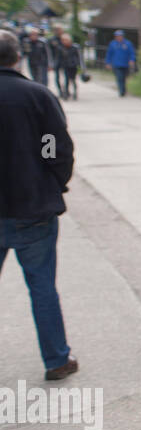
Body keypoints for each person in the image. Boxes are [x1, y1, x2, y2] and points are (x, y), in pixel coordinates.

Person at [0, 30, 77, 380]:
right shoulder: (37, 96)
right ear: (18, 56)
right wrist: (53, 181)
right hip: (32, 207)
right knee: (42, 287)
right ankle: (56, 360)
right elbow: (54, 148)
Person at [104, 29, 136, 96]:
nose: (118, 37)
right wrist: (108, 63)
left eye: (120, 36)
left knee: (124, 78)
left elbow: (132, 53)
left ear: (122, 36)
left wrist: (132, 60)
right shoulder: (112, 44)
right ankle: (121, 91)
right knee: (119, 77)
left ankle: (123, 89)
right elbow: (109, 54)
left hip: (125, 64)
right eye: (117, 36)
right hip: (116, 64)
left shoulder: (128, 44)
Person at [57, 32, 81, 100]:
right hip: (65, 66)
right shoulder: (61, 48)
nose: (65, 42)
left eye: (66, 40)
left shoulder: (75, 47)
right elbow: (59, 58)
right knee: (66, 80)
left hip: (73, 66)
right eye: (63, 40)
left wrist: (80, 66)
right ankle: (66, 93)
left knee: (73, 80)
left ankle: (75, 93)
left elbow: (79, 57)